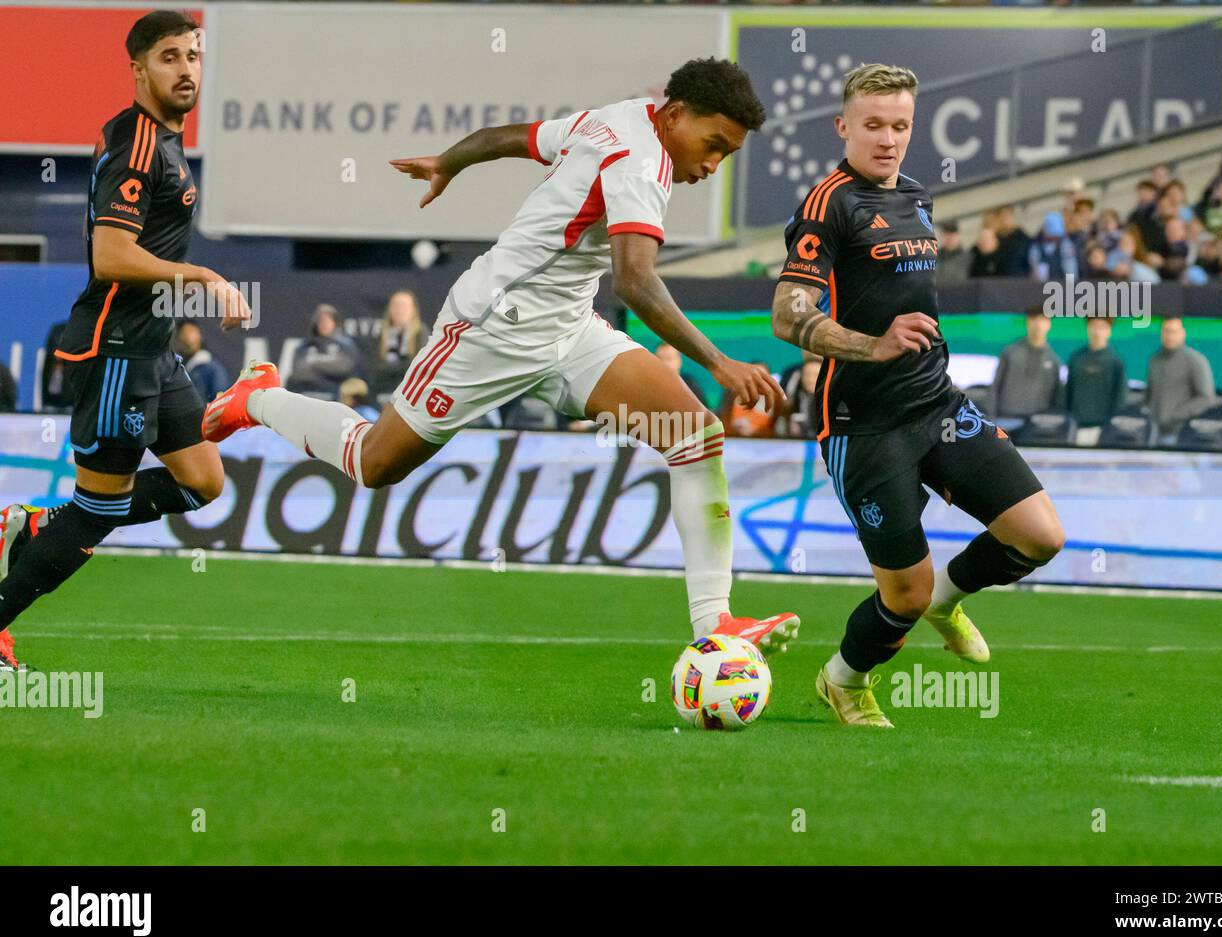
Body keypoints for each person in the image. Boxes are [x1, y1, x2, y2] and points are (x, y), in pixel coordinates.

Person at [203, 57, 800, 648]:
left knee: (694, 436)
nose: (714, 163)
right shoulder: (641, 161)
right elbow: (635, 282)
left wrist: (448, 162)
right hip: (492, 327)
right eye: (713, 142)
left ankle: (715, 626)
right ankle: (259, 398)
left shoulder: (619, 118)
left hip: (569, 332)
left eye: (729, 153)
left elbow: (508, 138)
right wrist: (719, 363)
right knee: (374, 463)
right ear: (674, 114)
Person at [770, 62, 1064, 729]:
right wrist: (872, 344)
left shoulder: (917, 196)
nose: (888, 138)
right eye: (873, 125)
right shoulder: (827, 206)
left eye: (900, 125)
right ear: (843, 127)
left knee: (1040, 536)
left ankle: (948, 600)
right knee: (902, 593)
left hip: (938, 405)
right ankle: (844, 680)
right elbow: (787, 316)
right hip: (863, 425)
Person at [0, 11, 251, 671]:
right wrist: (198, 274)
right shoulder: (137, 143)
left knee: (202, 481)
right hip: (114, 353)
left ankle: (33, 523)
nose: (187, 69)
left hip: (152, 352)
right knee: (97, 513)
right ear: (139, 68)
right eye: (169, 57)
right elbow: (111, 255)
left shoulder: (164, 144)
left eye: (193, 55)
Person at [986, 310, 1063, 426]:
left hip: (1037, 425)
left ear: (1049, 324)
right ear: (1027, 322)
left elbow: (1057, 397)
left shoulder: (1054, 360)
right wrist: (990, 420)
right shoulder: (1010, 352)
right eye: (1033, 319)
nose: (1037, 324)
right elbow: (995, 387)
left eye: (1042, 319)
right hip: (1006, 419)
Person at [1146, 317, 1216, 444]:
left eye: (1174, 332)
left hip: (1181, 435)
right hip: (1152, 434)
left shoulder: (1196, 361)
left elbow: (1206, 398)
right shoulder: (1154, 360)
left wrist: (1175, 416)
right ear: (1161, 333)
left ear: (1182, 333)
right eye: (1166, 331)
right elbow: (1149, 395)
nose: (1170, 336)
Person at [1065, 317, 1127, 445]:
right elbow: (1067, 394)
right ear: (1087, 328)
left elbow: (1120, 398)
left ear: (1109, 331)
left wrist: (1111, 427)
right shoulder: (1076, 358)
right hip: (1075, 428)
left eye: (1102, 327)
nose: (1097, 331)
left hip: (1104, 430)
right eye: (1093, 326)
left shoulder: (1116, 361)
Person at [285, 304, 366, 397]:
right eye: (321, 321)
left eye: (328, 320)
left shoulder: (345, 345)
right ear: (315, 324)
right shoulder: (305, 345)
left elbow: (344, 368)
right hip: (309, 393)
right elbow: (299, 371)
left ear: (335, 322)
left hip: (336, 396)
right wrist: (328, 367)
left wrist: (313, 363)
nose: (324, 324)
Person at [374, 289, 430, 394]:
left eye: (404, 306)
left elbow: (419, 366)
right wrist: (402, 367)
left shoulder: (421, 332)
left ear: (413, 309)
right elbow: (375, 368)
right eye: (395, 306)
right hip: (385, 390)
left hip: (413, 390)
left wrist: (391, 369)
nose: (399, 310)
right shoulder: (381, 334)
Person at [175, 319, 231, 404]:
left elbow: (221, 403)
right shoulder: (179, 369)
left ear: (200, 335)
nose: (187, 338)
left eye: (191, 331)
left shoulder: (212, 369)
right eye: (183, 333)